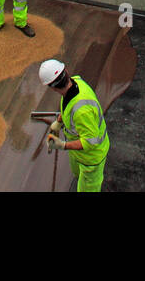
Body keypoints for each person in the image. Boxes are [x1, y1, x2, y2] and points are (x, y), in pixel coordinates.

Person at [39, 59, 109, 192]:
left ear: (51, 87)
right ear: (66, 71)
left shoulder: (81, 111)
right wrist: (59, 122)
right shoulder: (76, 81)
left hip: (91, 158)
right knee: (77, 173)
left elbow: (90, 142)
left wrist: (62, 145)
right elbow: (66, 105)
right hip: (78, 152)